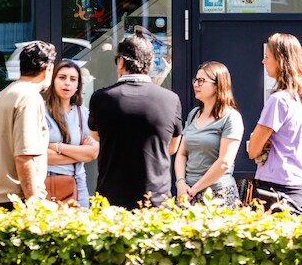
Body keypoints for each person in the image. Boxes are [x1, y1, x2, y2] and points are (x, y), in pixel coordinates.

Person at [88, 31, 182, 208]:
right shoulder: (170, 99)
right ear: (150, 64)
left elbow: (96, 135)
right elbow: (172, 147)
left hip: (111, 202)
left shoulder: (100, 98)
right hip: (156, 201)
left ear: (121, 62)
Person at [0, 40, 58, 207]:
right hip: (18, 198)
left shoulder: (5, 93)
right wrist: (33, 203)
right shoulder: (30, 97)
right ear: (48, 70)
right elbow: (25, 156)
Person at [247, 33, 302, 211]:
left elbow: (253, 150)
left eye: (267, 57)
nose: (263, 61)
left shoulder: (278, 100)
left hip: (277, 186)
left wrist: (259, 142)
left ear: (280, 61)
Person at [175, 61, 243, 205]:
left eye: (201, 81)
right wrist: (180, 183)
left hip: (217, 194)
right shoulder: (194, 114)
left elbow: (224, 162)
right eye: (195, 80)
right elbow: (181, 153)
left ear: (218, 86)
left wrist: (194, 189)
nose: (196, 84)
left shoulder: (231, 117)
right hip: (187, 192)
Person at [43, 59, 97, 207]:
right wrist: (78, 154)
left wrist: (56, 147)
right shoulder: (41, 111)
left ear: (78, 85)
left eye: (73, 79)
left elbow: (92, 153)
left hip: (77, 182)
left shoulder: (83, 114)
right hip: (46, 181)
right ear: (53, 80)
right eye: (62, 77)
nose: (67, 83)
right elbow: (40, 154)